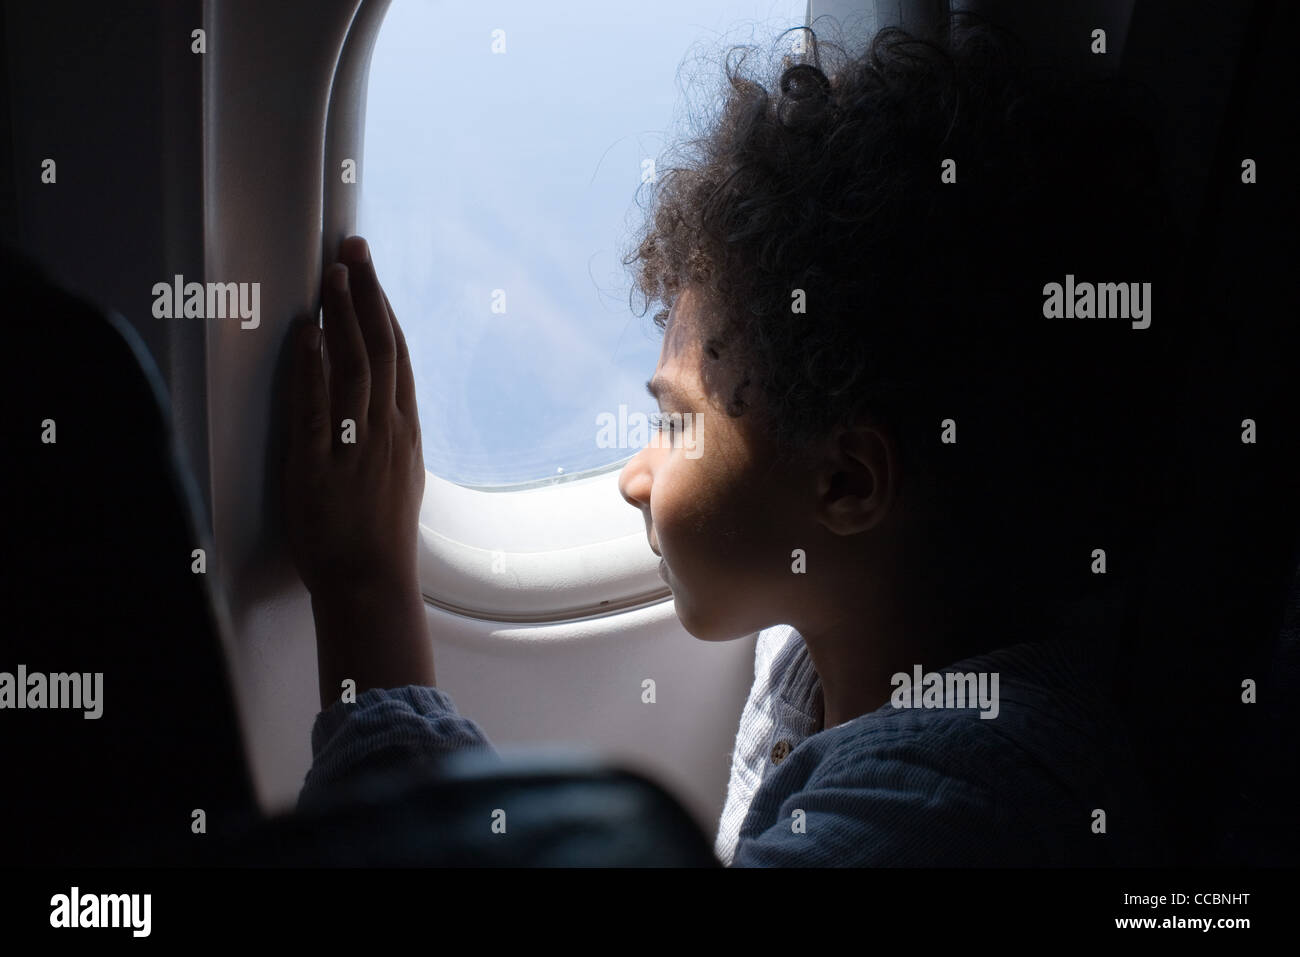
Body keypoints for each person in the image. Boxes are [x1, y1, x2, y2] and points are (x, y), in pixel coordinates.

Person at [283, 18, 1191, 865]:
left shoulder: (955, 807)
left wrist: (366, 587)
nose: (634, 476)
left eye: (675, 422)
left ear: (845, 482)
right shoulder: (821, 654)